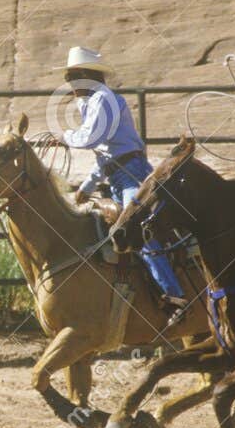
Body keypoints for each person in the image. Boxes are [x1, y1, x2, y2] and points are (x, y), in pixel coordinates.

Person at [54, 46, 185, 308]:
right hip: (119, 173)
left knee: (137, 229)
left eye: (71, 77)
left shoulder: (103, 98)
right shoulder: (92, 102)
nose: (69, 83)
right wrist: (89, 185)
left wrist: (64, 136)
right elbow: (106, 153)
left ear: (84, 75)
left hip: (131, 173)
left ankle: (175, 295)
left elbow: (93, 138)